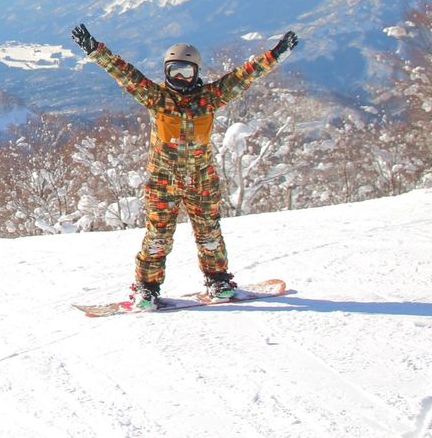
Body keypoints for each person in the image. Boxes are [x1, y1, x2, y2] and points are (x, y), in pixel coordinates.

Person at [71, 23, 299, 311]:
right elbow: (125, 74)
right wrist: (95, 50)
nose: (180, 78)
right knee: (158, 236)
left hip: (201, 180)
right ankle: (147, 288)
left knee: (209, 234)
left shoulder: (209, 98)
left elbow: (243, 76)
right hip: (162, 181)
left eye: (186, 72)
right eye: (174, 72)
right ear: (166, 73)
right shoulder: (158, 98)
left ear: (196, 73)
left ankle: (218, 281)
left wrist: (274, 55)